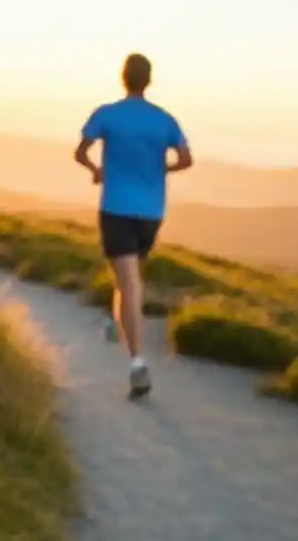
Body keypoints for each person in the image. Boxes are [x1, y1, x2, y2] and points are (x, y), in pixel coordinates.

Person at [74, 53, 193, 398]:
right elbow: (186, 160)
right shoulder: (164, 120)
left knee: (129, 281)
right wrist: (161, 170)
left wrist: (97, 171)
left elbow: (80, 152)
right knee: (129, 277)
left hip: (116, 207)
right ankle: (115, 322)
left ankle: (138, 364)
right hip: (152, 212)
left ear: (122, 78)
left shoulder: (107, 115)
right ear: (149, 80)